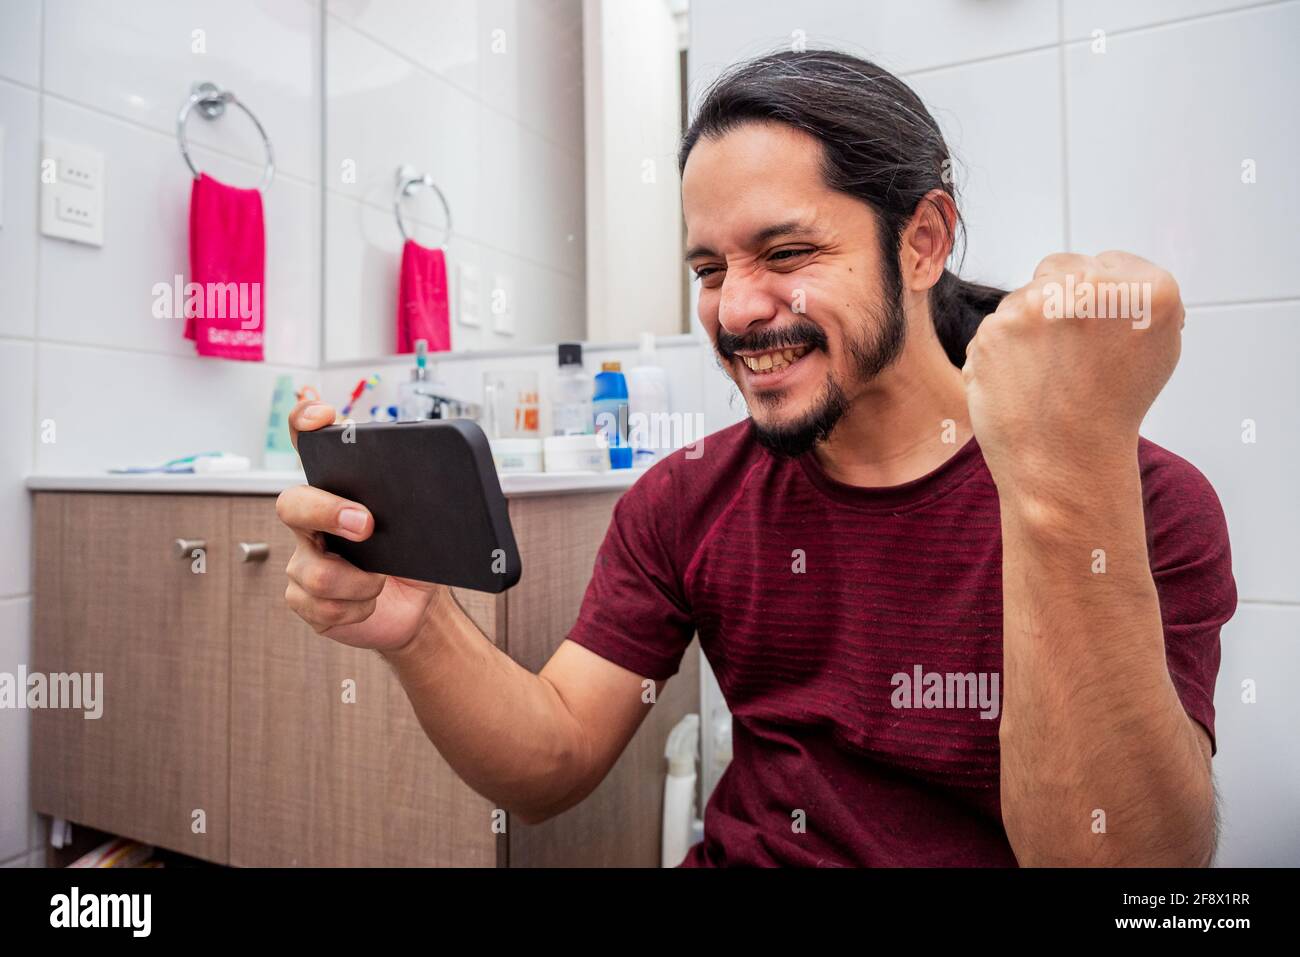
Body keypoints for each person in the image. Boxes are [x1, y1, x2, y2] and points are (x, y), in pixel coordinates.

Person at [276, 50, 1236, 867]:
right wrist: (416, 626)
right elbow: (555, 759)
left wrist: (1064, 473)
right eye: (708, 270)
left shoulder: (1139, 500)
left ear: (924, 240)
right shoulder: (685, 499)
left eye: (786, 252)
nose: (733, 310)